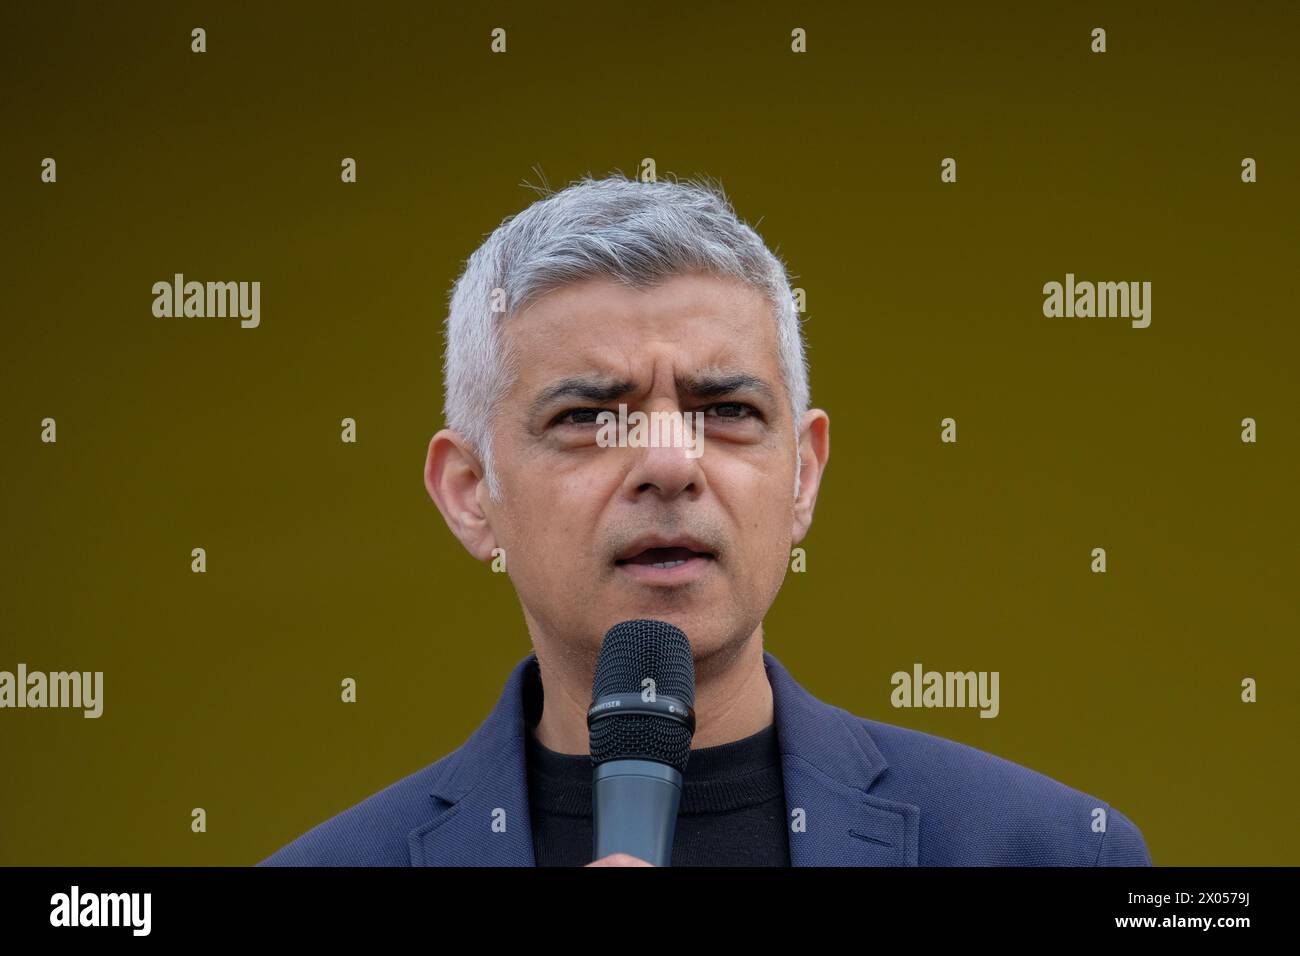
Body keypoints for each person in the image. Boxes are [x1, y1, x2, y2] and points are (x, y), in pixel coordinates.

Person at [259, 173, 1151, 867]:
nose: (669, 464)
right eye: (587, 418)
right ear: (468, 492)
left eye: (724, 409)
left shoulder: (1053, 851)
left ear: (801, 475)